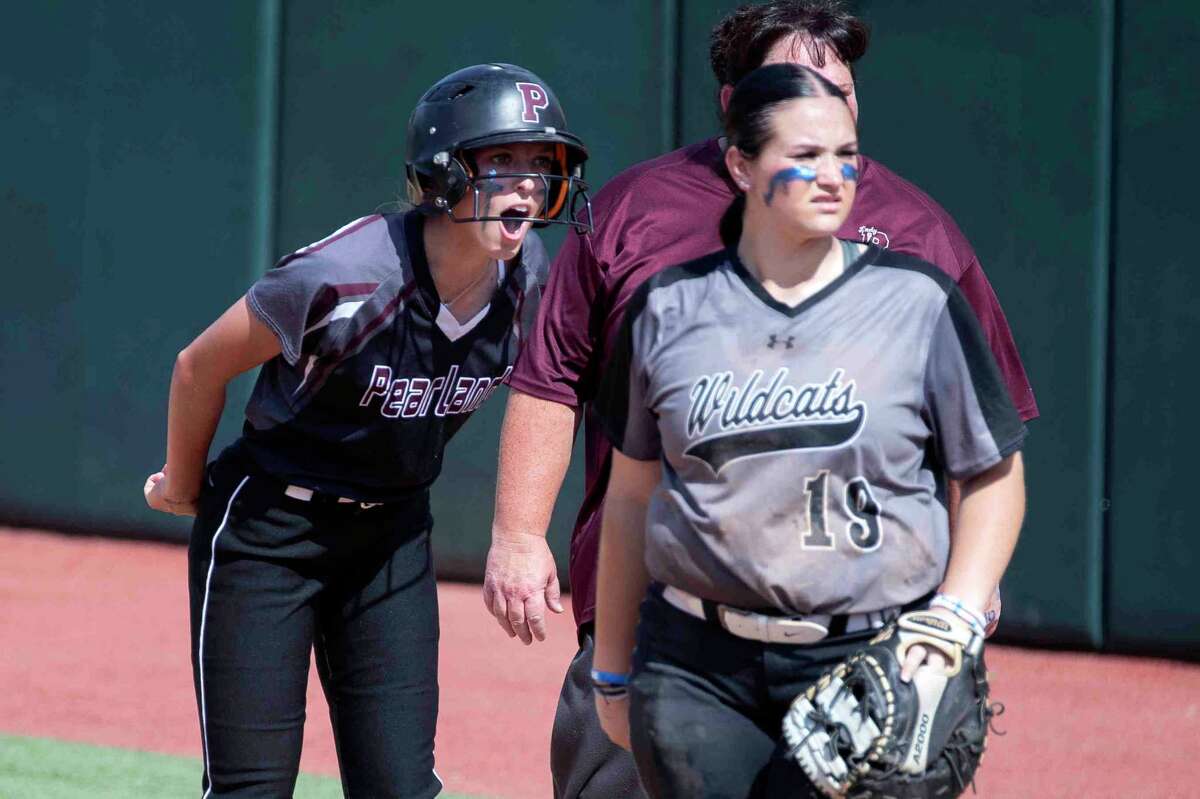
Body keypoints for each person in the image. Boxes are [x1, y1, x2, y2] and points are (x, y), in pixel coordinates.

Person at [482, 3, 1037, 797]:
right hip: (667, 626)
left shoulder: (918, 248)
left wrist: (962, 597)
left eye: (840, 92)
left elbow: (984, 452)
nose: (825, 111)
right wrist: (521, 539)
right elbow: (563, 394)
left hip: (857, 633)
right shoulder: (656, 252)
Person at [142, 62, 590, 798]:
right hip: (268, 533)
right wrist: (182, 483)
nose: (529, 184)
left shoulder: (529, 278)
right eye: (502, 161)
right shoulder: (347, 275)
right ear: (445, 172)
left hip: (390, 537)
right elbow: (199, 366)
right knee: (251, 787)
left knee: (400, 787)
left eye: (541, 166)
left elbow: (559, 394)